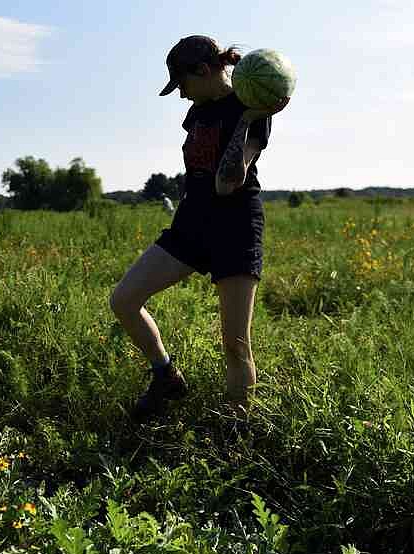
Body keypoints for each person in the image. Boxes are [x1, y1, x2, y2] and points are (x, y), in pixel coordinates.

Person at [109, 35, 289, 422]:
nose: (181, 95)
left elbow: (228, 183)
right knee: (123, 299)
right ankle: (166, 375)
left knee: (235, 345)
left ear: (203, 71)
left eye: (182, 84)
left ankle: (236, 433)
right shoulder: (196, 113)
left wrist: (246, 119)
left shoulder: (252, 106)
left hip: (236, 226)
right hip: (191, 222)